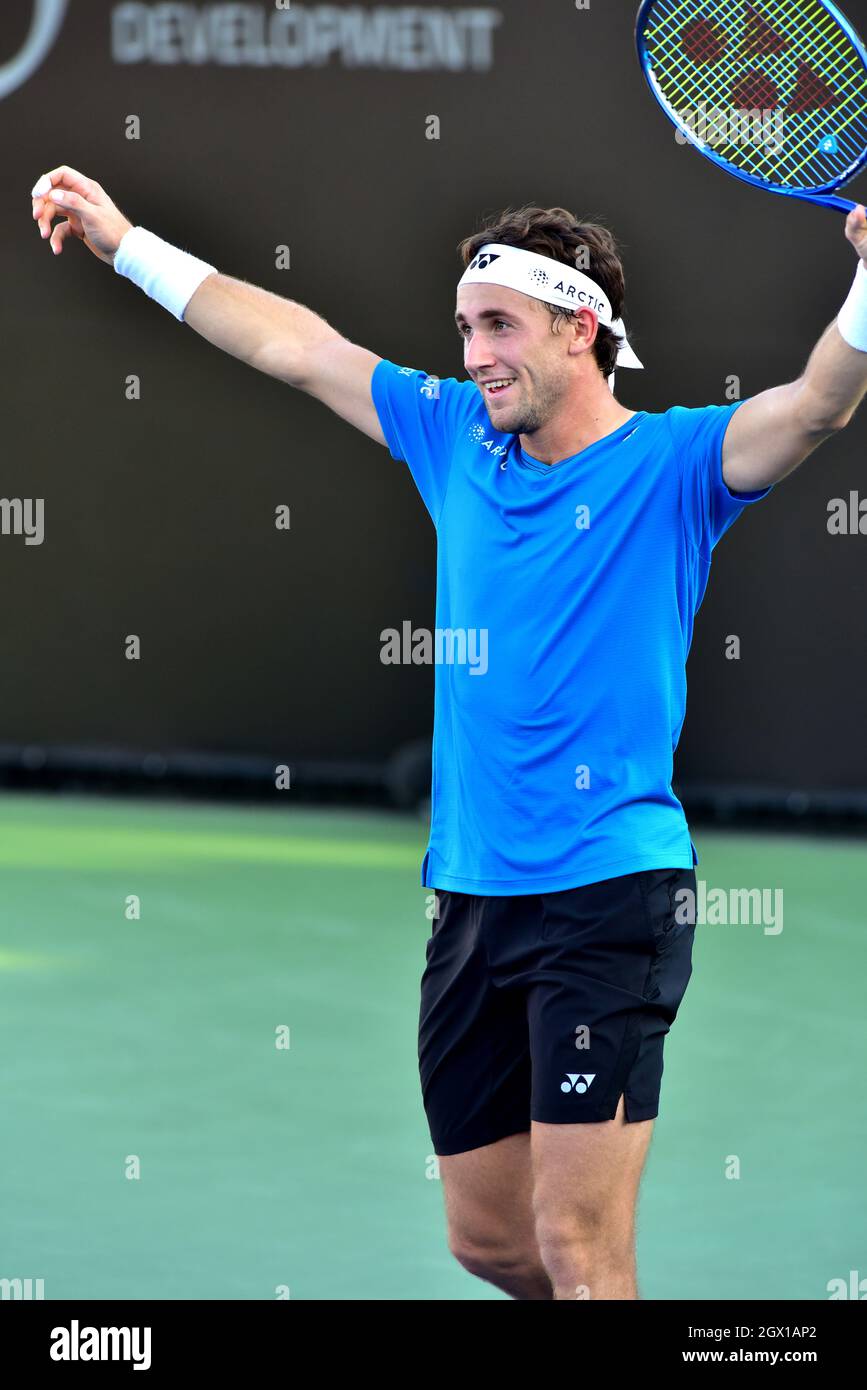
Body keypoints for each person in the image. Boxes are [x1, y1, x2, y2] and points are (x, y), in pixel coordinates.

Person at [30, 168, 867, 1300]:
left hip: (610, 897)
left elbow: (817, 402)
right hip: (470, 899)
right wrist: (126, 241)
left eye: (499, 327)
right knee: (492, 1246)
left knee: (580, 1248)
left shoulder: (679, 464)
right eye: (466, 327)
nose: (474, 354)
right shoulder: (453, 438)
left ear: (582, 330)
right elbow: (293, 342)